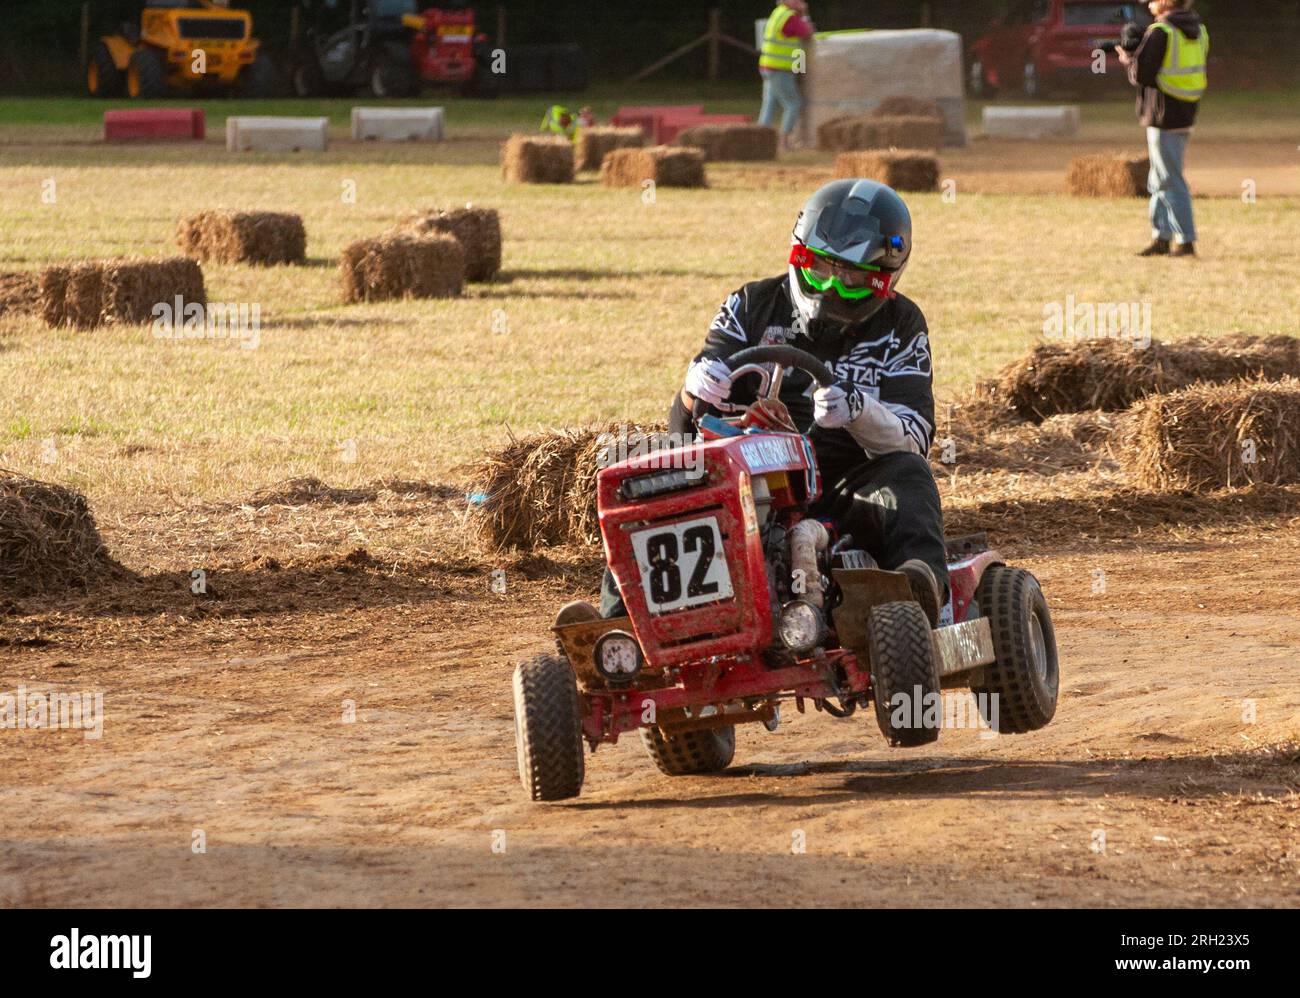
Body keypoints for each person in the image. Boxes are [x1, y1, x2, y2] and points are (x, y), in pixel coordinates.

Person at [667, 180, 948, 624]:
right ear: (799, 254)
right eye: (820, 267)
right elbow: (684, 426)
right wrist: (692, 390)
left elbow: (913, 440)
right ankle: (618, 627)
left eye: (853, 276)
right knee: (654, 494)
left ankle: (917, 590)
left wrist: (859, 411)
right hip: (744, 486)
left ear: (884, 277)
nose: (834, 284)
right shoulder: (749, 305)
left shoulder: (902, 324)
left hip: (840, 488)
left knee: (908, 476)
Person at [1118, 0, 1209, 258]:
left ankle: (1185, 240)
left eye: (1153, 1)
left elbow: (1142, 76)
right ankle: (1161, 237)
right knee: (1158, 177)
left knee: (1169, 178)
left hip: (1162, 113)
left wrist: (1128, 58)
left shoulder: (1161, 31)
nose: (1148, 5)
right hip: (1186, 111)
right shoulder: (1199, 29)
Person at [758, 1, 814, 153]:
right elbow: (807, 33)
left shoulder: (778, 13)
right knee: (793, 104)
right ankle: (784, 143)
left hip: (769, 66)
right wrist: (804, 14)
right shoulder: (789, 17)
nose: (800, 2)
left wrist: (799, 68)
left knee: (769, 104)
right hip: (780, 69)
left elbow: (796, 43)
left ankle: (760, 140)